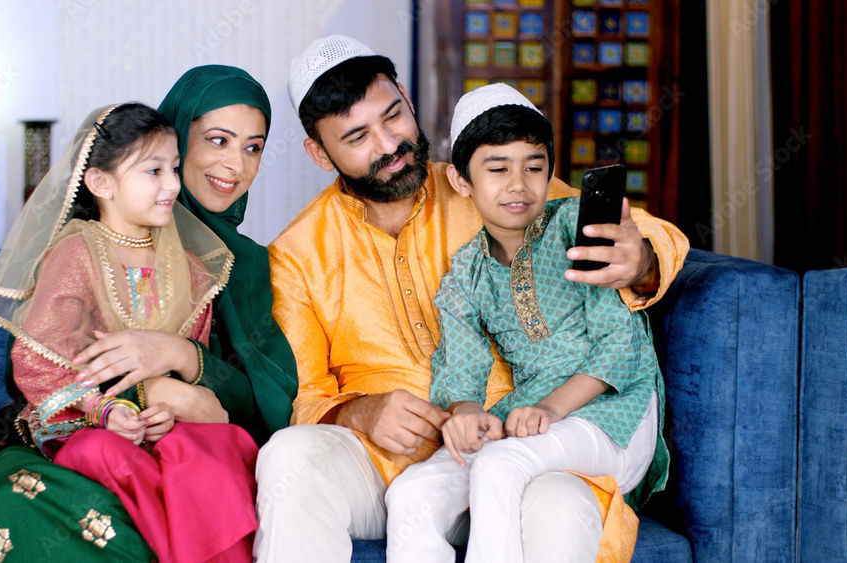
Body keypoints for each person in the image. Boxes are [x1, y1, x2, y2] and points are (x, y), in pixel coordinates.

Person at [255, 35, 689, 562]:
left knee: (558, 502)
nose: (389, 143)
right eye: (358, 137)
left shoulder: (482, 181)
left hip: (517, 437)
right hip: (384, 465)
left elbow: (633, 229)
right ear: (320, 153)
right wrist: (359, 414)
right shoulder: (297, 254)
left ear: (410, 103)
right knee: (289, 458)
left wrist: (639, 260)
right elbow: (306, 396)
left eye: (395, 116)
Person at [0, 100, 280, 563]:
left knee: (211, 450)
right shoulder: (77, 254)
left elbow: (188, 356)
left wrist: (162, 410)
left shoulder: (191, 268)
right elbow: (39, 357)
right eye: (153, 171)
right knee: (102, 453)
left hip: (162, 420)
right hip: (83, 420)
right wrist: (106, 407)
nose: (173, 184)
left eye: (174, 168)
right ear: (100, 182)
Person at [384, 84, 667, 562]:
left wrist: (552, 410)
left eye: (534, 167)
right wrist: (468, 410)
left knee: (499, 462)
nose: (518, 184)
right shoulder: (466, 273)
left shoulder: (574, 227)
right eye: (498, 169)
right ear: (461, 181)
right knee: (413, 492)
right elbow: (461, 362)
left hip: (617, 414)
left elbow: (622, 346)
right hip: (533, 417)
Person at [75, 64, 299, 447]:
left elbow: (273, 406)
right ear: (177, 137)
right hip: (99, 440)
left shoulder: (248, 264)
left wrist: (183, 356)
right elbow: (41, 363)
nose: (237, 166)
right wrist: (152, 392)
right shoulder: (99, 239)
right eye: (217, 140)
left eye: (253, 148)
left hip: (204, 453)